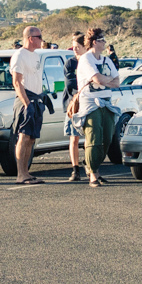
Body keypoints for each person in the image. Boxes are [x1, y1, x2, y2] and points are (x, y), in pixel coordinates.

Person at [74, 29, 122, 187]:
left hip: (106, 101)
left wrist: (105, 80)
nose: (105, 43)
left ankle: (91, 165)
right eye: (102, 40)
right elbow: (97, 78)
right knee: (94, 139)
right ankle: (93, 174)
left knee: (107, 139)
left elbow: (117, 82)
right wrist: (105, 80)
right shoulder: (86, 59)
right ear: (95, 42)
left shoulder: (106, 60)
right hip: (90, 103)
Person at [8, 27, 50, 185]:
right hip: (26, 99)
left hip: (37, 98)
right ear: (31, 38)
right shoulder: (19, 55)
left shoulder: (36, 56)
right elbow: (17, 82)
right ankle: (21, 174)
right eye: (39, 37)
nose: (42, 40)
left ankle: (26, 172)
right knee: (23, 137)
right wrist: (27, 104)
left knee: (31, 138)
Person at [63, 33, 87, 181]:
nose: (75, 50)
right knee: (74, 138)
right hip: (73, 104)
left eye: (78, 47)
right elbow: (70, 84)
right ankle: (75, 169)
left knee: (90, 139)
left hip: (89, 103)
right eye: (73, 47)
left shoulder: (91, 61)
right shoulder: (70, 63)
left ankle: (90, 167)